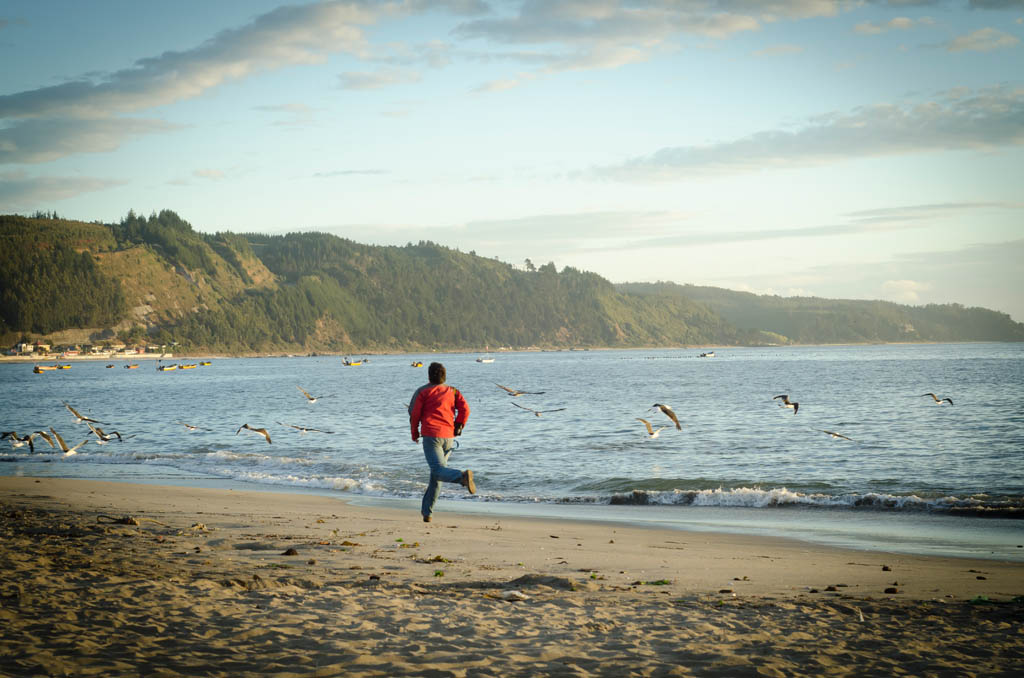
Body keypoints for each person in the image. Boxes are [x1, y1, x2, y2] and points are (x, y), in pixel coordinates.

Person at [408, 362, 474, 522]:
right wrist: (459, 425)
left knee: (438, 471)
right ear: (444, 376)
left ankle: (462, 477)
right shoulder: (453, 391)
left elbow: (414, 413)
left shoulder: (423, 391)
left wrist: (414, 432)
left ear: (429, 376)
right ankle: (427, 512)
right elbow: (465, 409)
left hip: (431, 436)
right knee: (436, 475)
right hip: (449, 437)